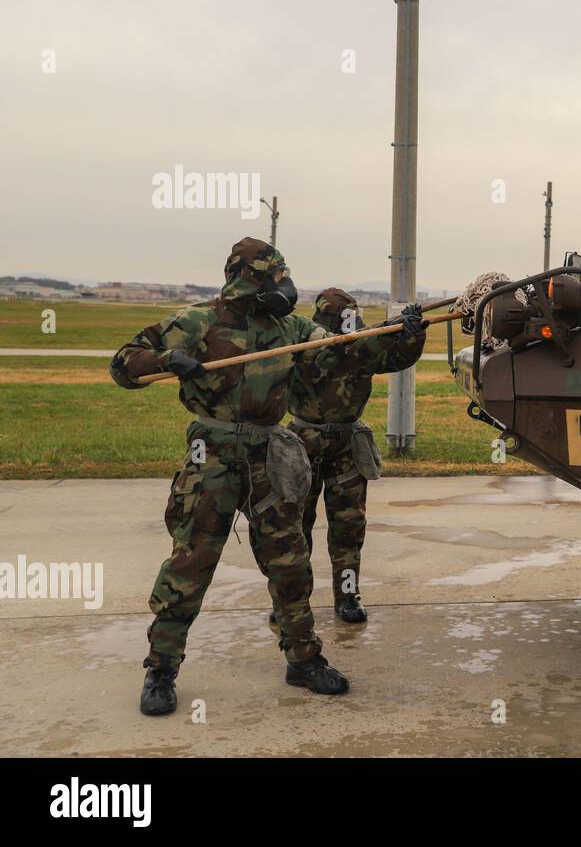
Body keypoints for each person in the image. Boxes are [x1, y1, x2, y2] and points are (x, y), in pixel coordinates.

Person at [109, 237, 424, 715]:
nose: (285, 284)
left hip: (268, 455)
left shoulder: (292, 328)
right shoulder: (198, 321)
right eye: (276, 275)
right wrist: (166, 361)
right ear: (250, 279)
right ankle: (161, 669)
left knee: (289, 562)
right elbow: (123, 364)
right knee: (191, 563)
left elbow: (345, 354)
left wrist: (402, 335)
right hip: (211, 455)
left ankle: (303, 659)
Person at [280, 288, 426, 625]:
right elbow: (337, 352)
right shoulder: (306, 347)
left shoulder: (361, 349)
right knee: (294, 528)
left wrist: (411, 336)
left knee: (348, 527)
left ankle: (347, 597)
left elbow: (396, 359)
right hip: (303, 443)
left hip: (347, 443)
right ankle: (289, 602)